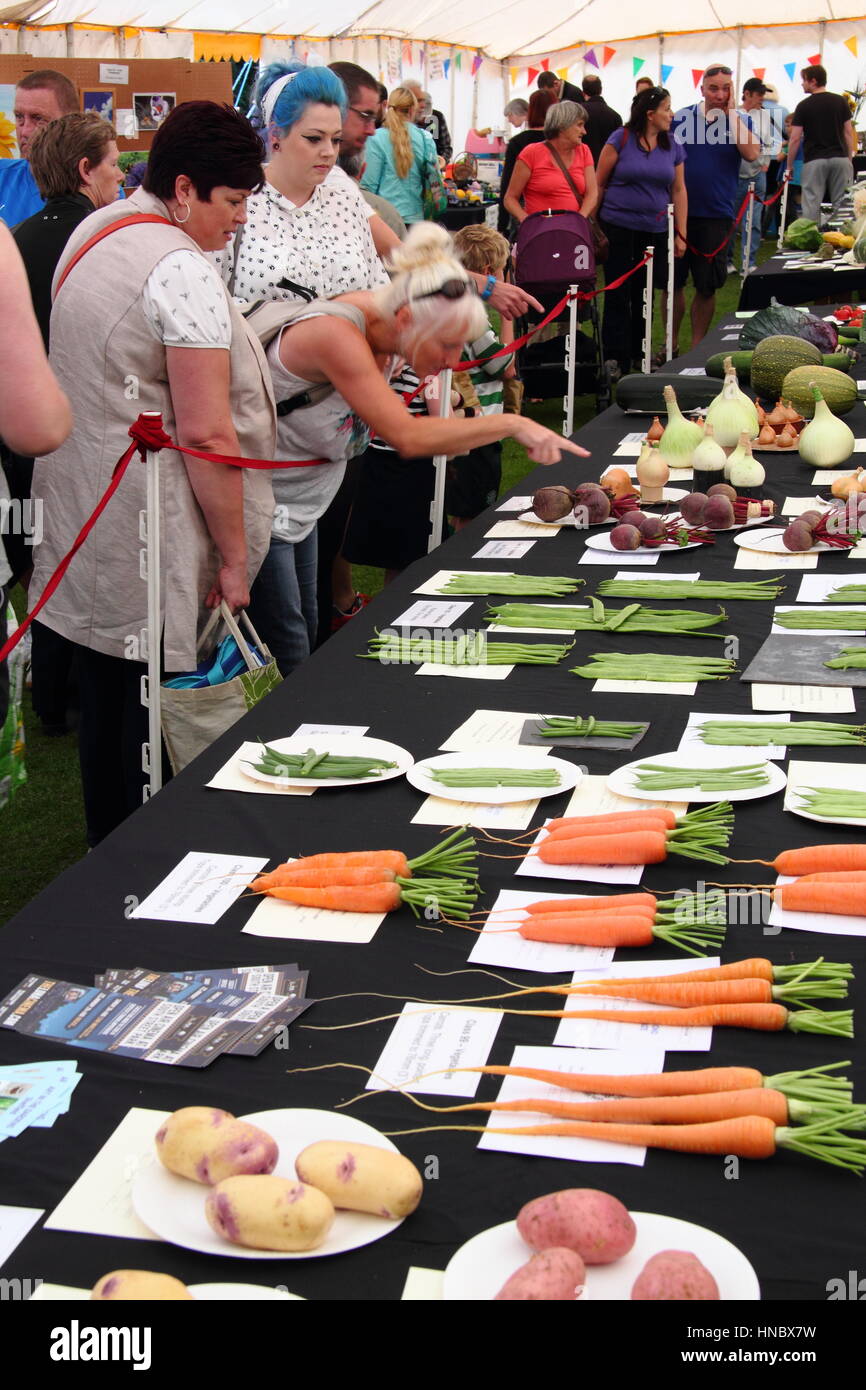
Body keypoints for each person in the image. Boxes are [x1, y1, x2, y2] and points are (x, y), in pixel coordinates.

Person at [28, 101, 277, 846]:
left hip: (87, 507)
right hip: (147, 522)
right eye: (232, 203)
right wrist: (236, 558)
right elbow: (205, 430)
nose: (239, 221)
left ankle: (111, 855)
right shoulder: (179, 268)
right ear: (184, 188)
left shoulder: (95, 227)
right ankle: (146, 865)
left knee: (109, 697)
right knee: (151, 708)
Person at [296, 225, 586, 591]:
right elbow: (408, 436)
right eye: (447, 345)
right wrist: (512, 425)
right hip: (276, 506)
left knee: (304, 613)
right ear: (407, 320)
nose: (453, 363)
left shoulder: (394, 335)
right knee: (293, 628)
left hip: (305, 502)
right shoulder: (340, 333)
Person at [217, 61, 389, 652]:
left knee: (309, 600)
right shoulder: (242, 200)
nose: (327, 152)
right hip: (261, 422)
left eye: (335, 139)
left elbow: (376, 289)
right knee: (282, 617)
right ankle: (275, 719)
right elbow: (213, 307)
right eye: (313, 138)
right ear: (275, 135)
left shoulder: (342, 194)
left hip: (333, 425)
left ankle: (297, 701)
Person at [9, 113, 123, 736]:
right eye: (113, 165)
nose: (121, 178)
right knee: (85, 559)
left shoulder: (19, 235)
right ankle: (75, 693)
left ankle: (49, 694)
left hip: (21, 440)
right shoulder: (101, 240)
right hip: (80, 427)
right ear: (86, 169)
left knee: (44, 559)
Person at [596, 86, 686, 376]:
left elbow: (679, 189)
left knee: (645, 292)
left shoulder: (671, 145)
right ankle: (615, 357)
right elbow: (598, 183)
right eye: (666, 108)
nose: (671, 114)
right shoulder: (620, 139)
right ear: (650, 114)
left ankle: (639, 352)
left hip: (655, 229)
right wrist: (591, 225)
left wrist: (680, 232)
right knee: (618, 291)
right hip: (618, 226)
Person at [671, 64, 758, 350]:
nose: (720, 94)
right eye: (714, 88)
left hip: (717, 213)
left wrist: (732, 113)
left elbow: (751, 153)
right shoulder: (681, 118)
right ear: (702, 89)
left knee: (707, 286)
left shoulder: (740, 120)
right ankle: (669, 345)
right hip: (678, 213)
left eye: (726, 88)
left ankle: (697, 346)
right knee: (672, 284)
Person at [446, 225, 515, 529]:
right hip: (479, 426)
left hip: (460, 420)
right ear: (489, 271)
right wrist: (509, 317)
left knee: (459, 502)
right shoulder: (474, 314)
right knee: (474, 511)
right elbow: (504, 365)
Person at [0, 70, 79, 227]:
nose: (24, 131)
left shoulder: (102, 189)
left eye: (38, 119)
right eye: (19, 117)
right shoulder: (3, 177)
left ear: (71, 121)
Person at [503, 100, 598, 226]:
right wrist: (527, 220)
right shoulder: (531, 153)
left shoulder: (584, 151)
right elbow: (510, 198)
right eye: (579, 125)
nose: (584, 131)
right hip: (540, 233)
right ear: (563, 126)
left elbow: (592, 193)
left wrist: (580, 218)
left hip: (573, 232)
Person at [361, 87, 440, 226]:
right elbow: (434, 179)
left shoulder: (375, 138)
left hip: (386, 221)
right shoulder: (425, 138)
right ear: (411, 110)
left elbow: (368, 186)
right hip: (417, 221)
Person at [787, 64, 855, 223]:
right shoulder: (840, 101)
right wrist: (849, 159)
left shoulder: (803, 106)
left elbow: (795, 138)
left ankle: (811, 241)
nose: (802, 84)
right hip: (840, 158)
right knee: (842, 205)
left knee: (811, 204)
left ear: (813, 81)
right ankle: (842, 241)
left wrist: (789, 166)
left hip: (814, 160)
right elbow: (848, 133)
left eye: (803, 80)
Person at [498, 88, 556, 233]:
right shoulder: (562, 141)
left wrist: (502, 226)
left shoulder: (518, 142)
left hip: (526, 214)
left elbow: (507, 186)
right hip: (560, 214)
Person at [734, 79, 777, 274]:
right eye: (759, 94)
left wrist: (766, 164)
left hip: (758, 174)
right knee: (731, 220)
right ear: (747, 94)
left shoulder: (764, 116)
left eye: (762, 94)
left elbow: (770, 142)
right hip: (736, 175)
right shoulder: (734, 115)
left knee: (754, 221)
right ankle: (726, 261)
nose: (762, 98)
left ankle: (748, 262)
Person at [404, 79, 452, 162]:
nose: (423, 105)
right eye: (418, 101)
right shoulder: (403, 125)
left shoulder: (437, 117)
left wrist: (439, 162)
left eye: (423, 101)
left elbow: (446, 147)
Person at [580, 75, 622, 166]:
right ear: (601, 90)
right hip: (607, 167)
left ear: (583, 92)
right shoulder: (615, 116)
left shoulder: (577, 113)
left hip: (582, 165)